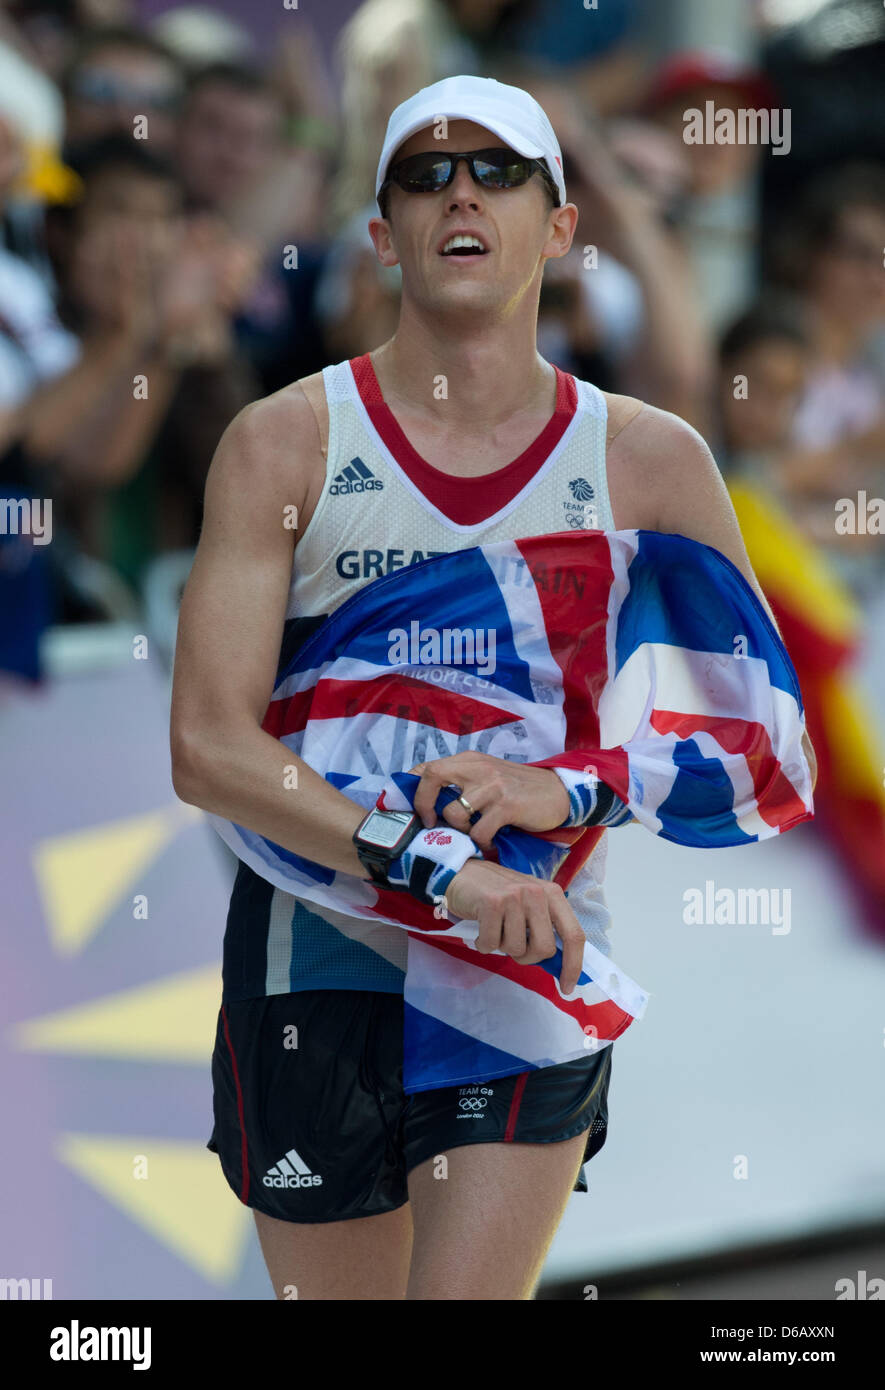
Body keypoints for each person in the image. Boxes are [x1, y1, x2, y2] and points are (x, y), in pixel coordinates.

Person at [170, 74, 816, 1301]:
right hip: (322, 942)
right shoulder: (287, 441)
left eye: (500, 171)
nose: (460, 191)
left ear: (561, 227)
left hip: (521, 945)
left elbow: (761, 745)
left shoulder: (647, 458)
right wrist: (431, 864)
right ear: (384, 235)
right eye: (425, 173)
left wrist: (559, 787)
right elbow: (205, 748)